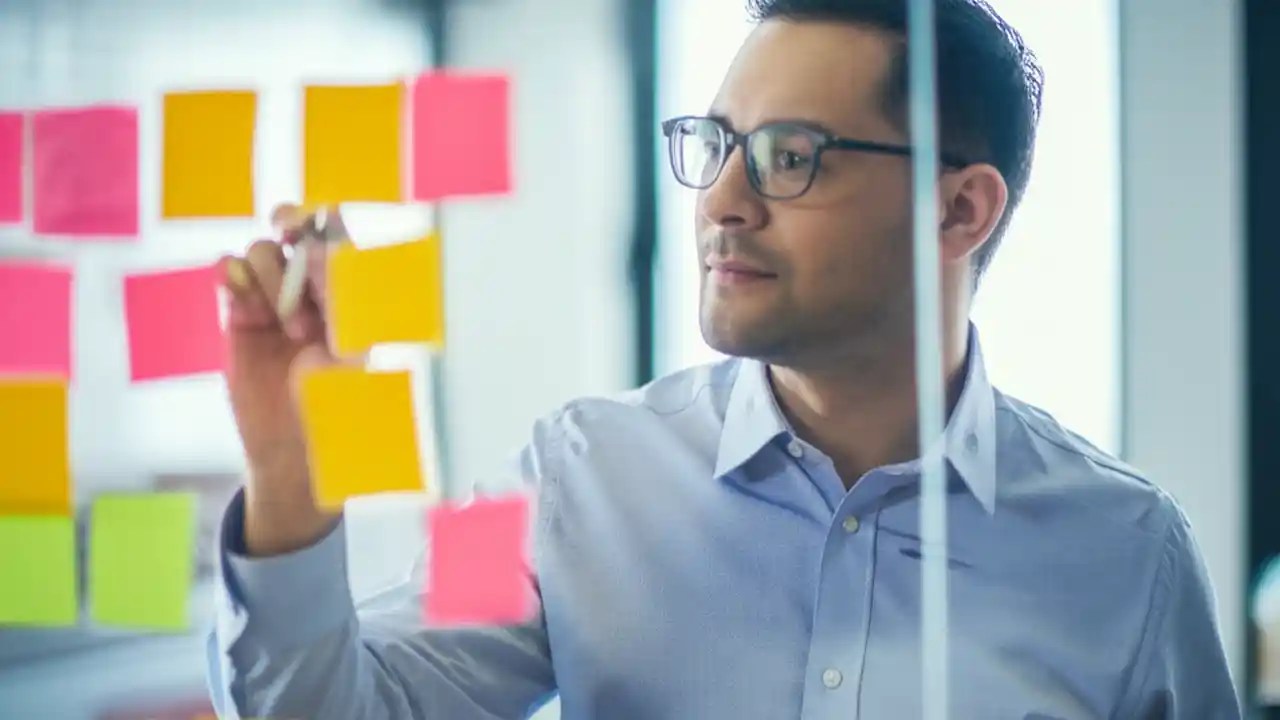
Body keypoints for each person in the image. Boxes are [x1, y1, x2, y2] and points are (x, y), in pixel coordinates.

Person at [206, 0, 1241, 718]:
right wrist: (291, 489)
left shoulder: (1125, 553)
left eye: (788, 157)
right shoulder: (567, 477)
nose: (719, 203)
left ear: (957, 207)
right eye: (715, 142)